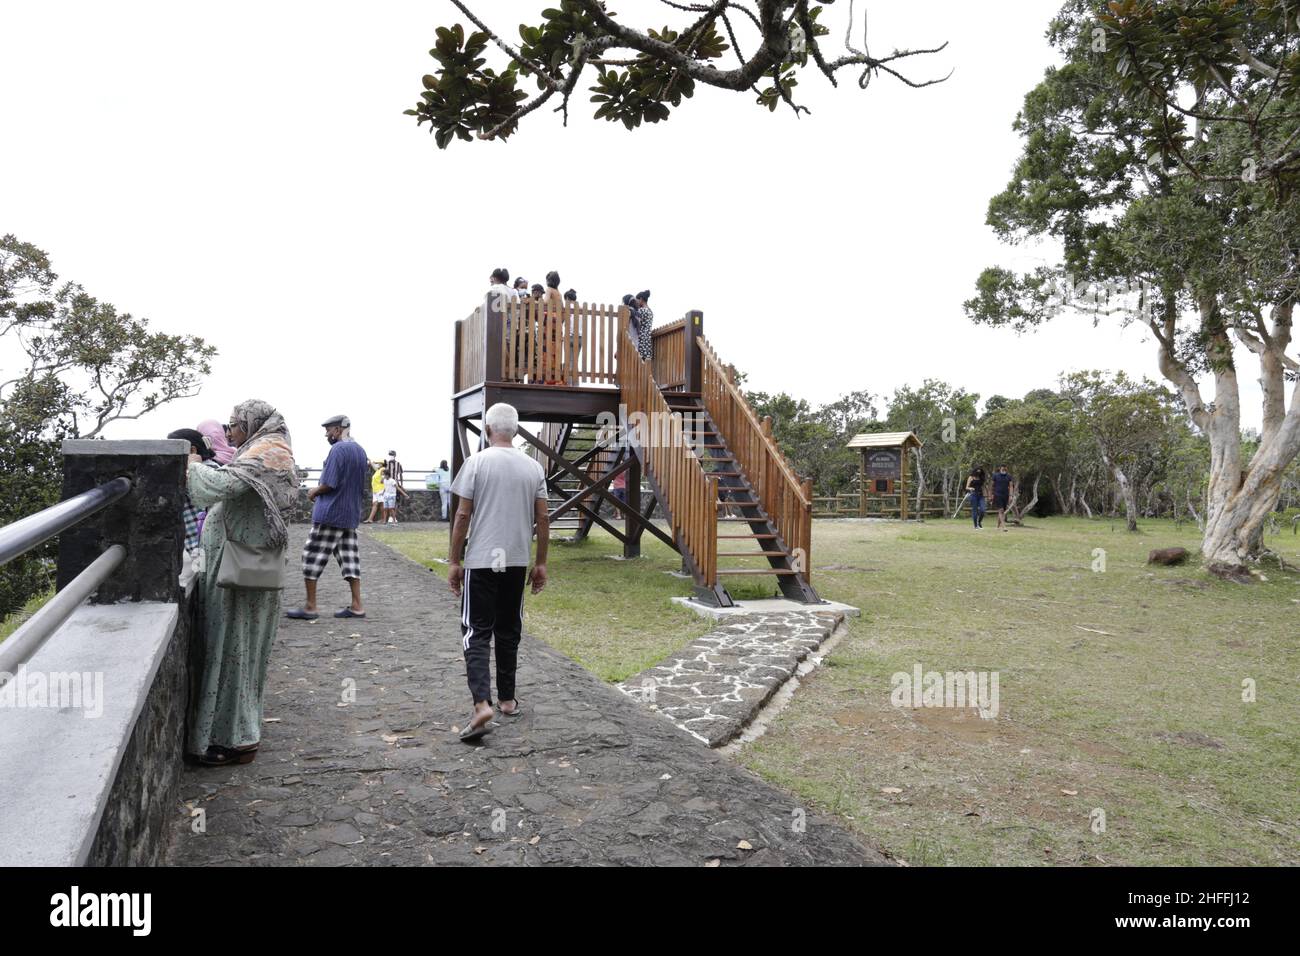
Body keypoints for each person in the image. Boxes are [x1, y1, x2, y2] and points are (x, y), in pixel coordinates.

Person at [185, 399, 297, 766]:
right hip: (241, 564)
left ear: (253, 423)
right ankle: (234, 731)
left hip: (241, 571)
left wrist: (192, 466)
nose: (230, 431)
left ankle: (235, 739)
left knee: (234, 648)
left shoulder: (268, 451)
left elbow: (220, 487)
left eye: (235, 424)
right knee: (238, 649)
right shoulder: (263, 448)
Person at [448, 402, 549, 742]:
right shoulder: (533, 468)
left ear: (488, 430)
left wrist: (453, 561)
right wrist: (541, 563)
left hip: (481, 560)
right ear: (516, 431)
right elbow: (543, 518)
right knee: (508, 628)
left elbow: (462, 516)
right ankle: (506, 699)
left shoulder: (476, 463)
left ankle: (481, 704)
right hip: (516, 560)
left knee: (476, 631)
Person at [287, 414, 370, 621]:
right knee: (349, 558)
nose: (326, 434)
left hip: (331, 512)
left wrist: (314, 491)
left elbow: (329, 483)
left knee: (311, 556)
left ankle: (310, 606)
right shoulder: (360, 450)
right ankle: (357, 605)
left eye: (328, 430)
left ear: (338, 429)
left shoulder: (338, 449)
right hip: (350, 513)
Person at [168, 428, 217, 555]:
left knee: (202, 572)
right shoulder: (215, 467)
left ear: (192, 450)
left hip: (199, 544)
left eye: (172, 451)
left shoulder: (195, 473)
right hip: (209, 543)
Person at [991, 465, 1014, 531]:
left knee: (1002, 511)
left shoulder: (1009, 476)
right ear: (1000, 468)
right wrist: (991, 495)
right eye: (1003, 467)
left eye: (1005, 467)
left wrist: (1011, 496)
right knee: (1001, 510)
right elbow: (992, 486)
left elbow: (1011, 486)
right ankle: (1004, 527)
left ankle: (997, 526)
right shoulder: (995, 475)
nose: (1004, 469)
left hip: (1006, 495)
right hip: (997, 495)